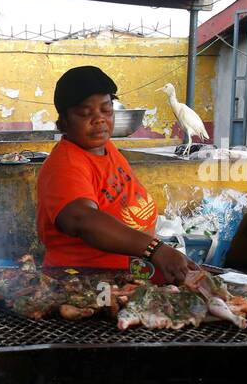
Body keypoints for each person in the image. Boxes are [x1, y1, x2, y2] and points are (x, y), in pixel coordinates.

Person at [36, 66, 195, 284]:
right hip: (84, 283)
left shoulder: (106, 148)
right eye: (85, 113)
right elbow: (83, 219)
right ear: (62, 122)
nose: (99, 119)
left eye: (106, 110)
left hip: (129, 274)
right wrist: (155, 250)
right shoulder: (65, 165)